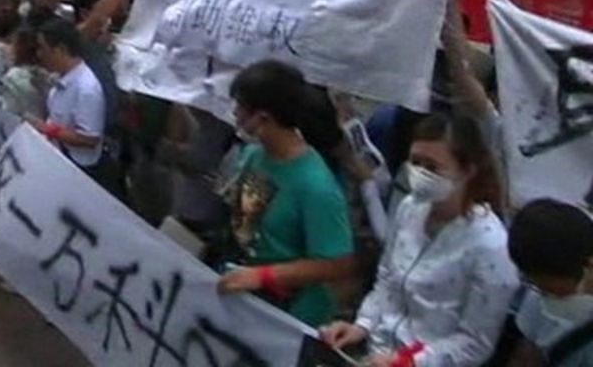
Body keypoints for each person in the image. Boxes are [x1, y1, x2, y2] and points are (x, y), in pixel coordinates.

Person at [321, 114, 518, 366]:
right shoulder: (410, 207)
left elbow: (475, 342)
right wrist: (362, 325)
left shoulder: (491, 247)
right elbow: (387, 278)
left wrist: (412, 361)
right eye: (415, 162)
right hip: (375, 353)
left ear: (467, 171)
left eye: (432, 167)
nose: (420, 173)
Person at [216, 61, 355, 328]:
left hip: (287, 314)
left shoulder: (316, 187)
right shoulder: (254, 155)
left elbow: (337, 263)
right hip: (243, 294)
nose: (234, 113)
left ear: (263, 119)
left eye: (240, 107)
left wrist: (264, 276)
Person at [507, 199, 593, 367]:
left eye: (549, 291)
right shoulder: (542, 271)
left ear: (588, 268)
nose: (545, 297)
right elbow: (529, 350)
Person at [30, 18, 111, 186]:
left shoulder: (86, 88)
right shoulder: (61, 77)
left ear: (61, 50)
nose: (39, 54)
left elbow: (89, 139)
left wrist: (46, 129)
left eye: (43, 48)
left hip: (78, 170)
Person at [2, 27, 51, 119]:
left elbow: (9, 110)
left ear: (18, 49)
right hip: (46, 123)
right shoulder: (48, 75)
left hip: (22, 124)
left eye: (12, 44)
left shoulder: (13, 76)